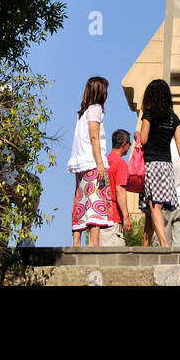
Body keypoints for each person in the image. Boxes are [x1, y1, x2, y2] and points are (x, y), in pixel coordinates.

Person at [138, 78, 180, 248]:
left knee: (154, 206)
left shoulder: (149, 114)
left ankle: (163, 243)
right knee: (153, 206)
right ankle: (146, 246)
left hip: (151, 163)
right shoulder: (174, 118)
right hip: (166, 165)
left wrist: (136, 135)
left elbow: (144, 139)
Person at [68, 76, 112, 246]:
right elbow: (95, 137)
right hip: (93, 163)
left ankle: (77, 242)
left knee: (80, 200)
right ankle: (93, 243)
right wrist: (100, 163)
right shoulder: (95, 110)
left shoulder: (83, 113)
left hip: (81, 163)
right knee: (95, 201)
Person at [102, 129, 132, 246]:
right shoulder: (121, 163)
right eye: (129, 144)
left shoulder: (103, 162)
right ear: (124, 144)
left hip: (99, 216)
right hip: (113, 217)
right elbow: (119, 190)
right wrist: (126, 216)